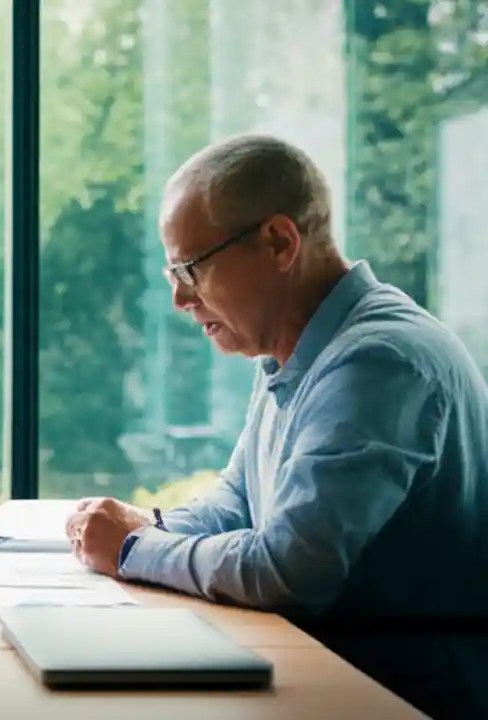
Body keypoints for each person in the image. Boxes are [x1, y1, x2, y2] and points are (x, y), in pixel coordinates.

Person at [65, 134, 488, 718]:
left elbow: (288, 569)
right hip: (327, 673)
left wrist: (136, 547)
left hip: (399, 695)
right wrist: (144, 525)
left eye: (191, 268)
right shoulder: (298, 353)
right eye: (172, 273)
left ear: (279, 242)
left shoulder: (378, 362)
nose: (180, 300)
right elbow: (237, 502)